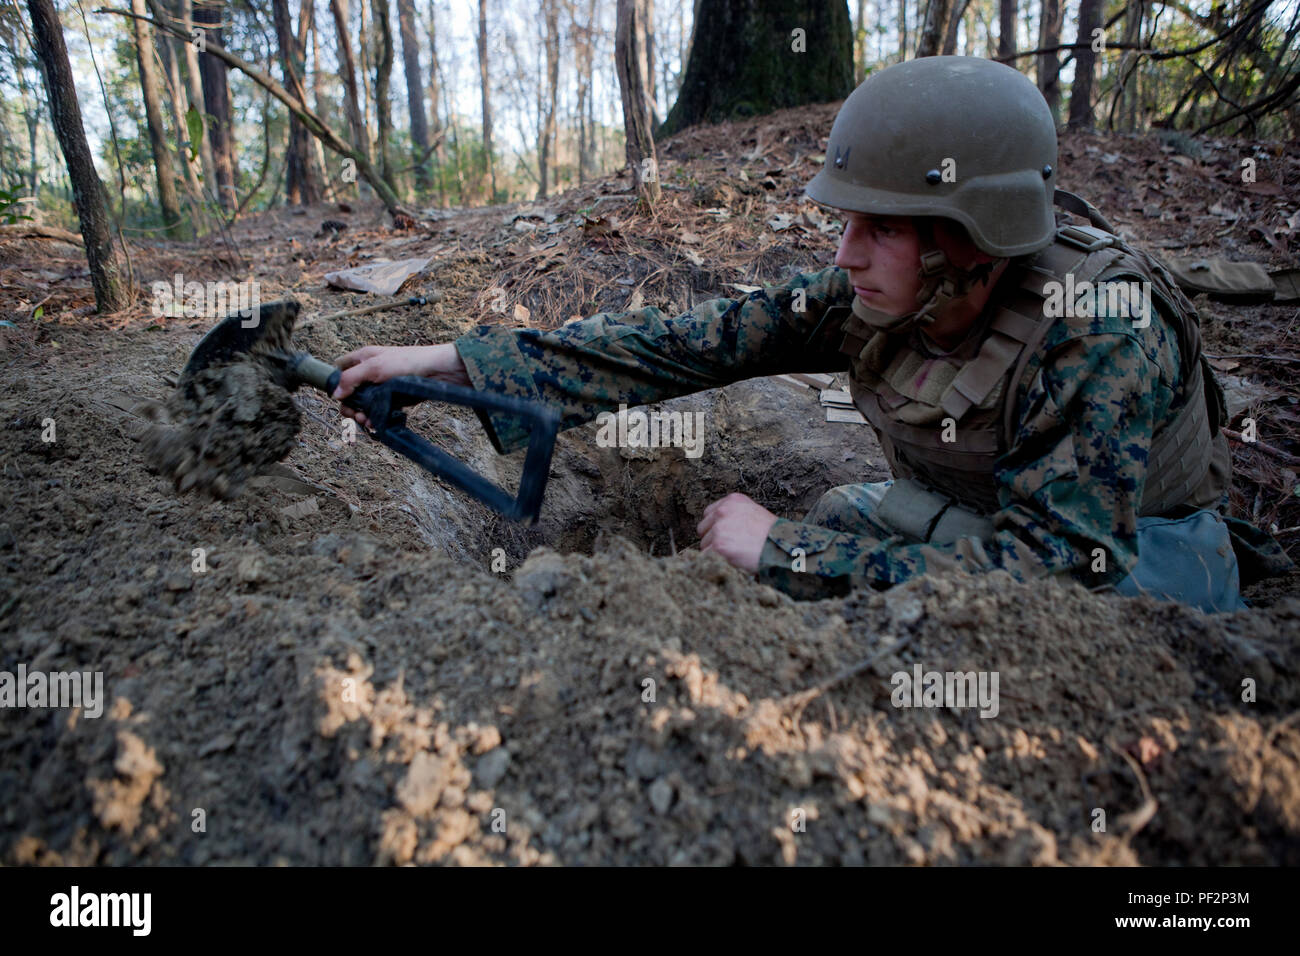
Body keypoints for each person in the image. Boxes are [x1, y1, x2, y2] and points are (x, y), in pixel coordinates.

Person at [332, 56, 1290, 611]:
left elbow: (1064, 578)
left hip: (1139, 569)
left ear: (970, 242)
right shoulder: (884, 290)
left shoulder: (1097, 330)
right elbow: (686, 340)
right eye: (847, 221)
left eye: (878, 226)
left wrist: (784, 552)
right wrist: (457, 356)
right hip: (1011, 531)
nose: (846, 253)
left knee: (818, 546)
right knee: (840, 518)